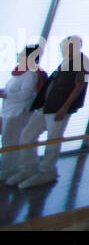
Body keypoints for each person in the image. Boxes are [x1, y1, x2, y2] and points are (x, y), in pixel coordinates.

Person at [17, 36, 89, 189]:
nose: (62, 50)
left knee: (53, 139)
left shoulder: (82, 61)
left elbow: (80, 85)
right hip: (46, 107)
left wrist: (65, 108)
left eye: (64, 47)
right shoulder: (66, 61)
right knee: (27, 135)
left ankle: (47, 171)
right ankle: (28, 167)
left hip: (58, 108)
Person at [0, 44, 45, 185]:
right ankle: (8, 169)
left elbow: (26, 94)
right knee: (8, 140)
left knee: (12, 141)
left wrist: (6, 95)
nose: (18, 56)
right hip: (9, 111)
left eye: (21, 54)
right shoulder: (19, 73)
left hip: (17, 112)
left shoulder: (30, 73)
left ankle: (11, 170)